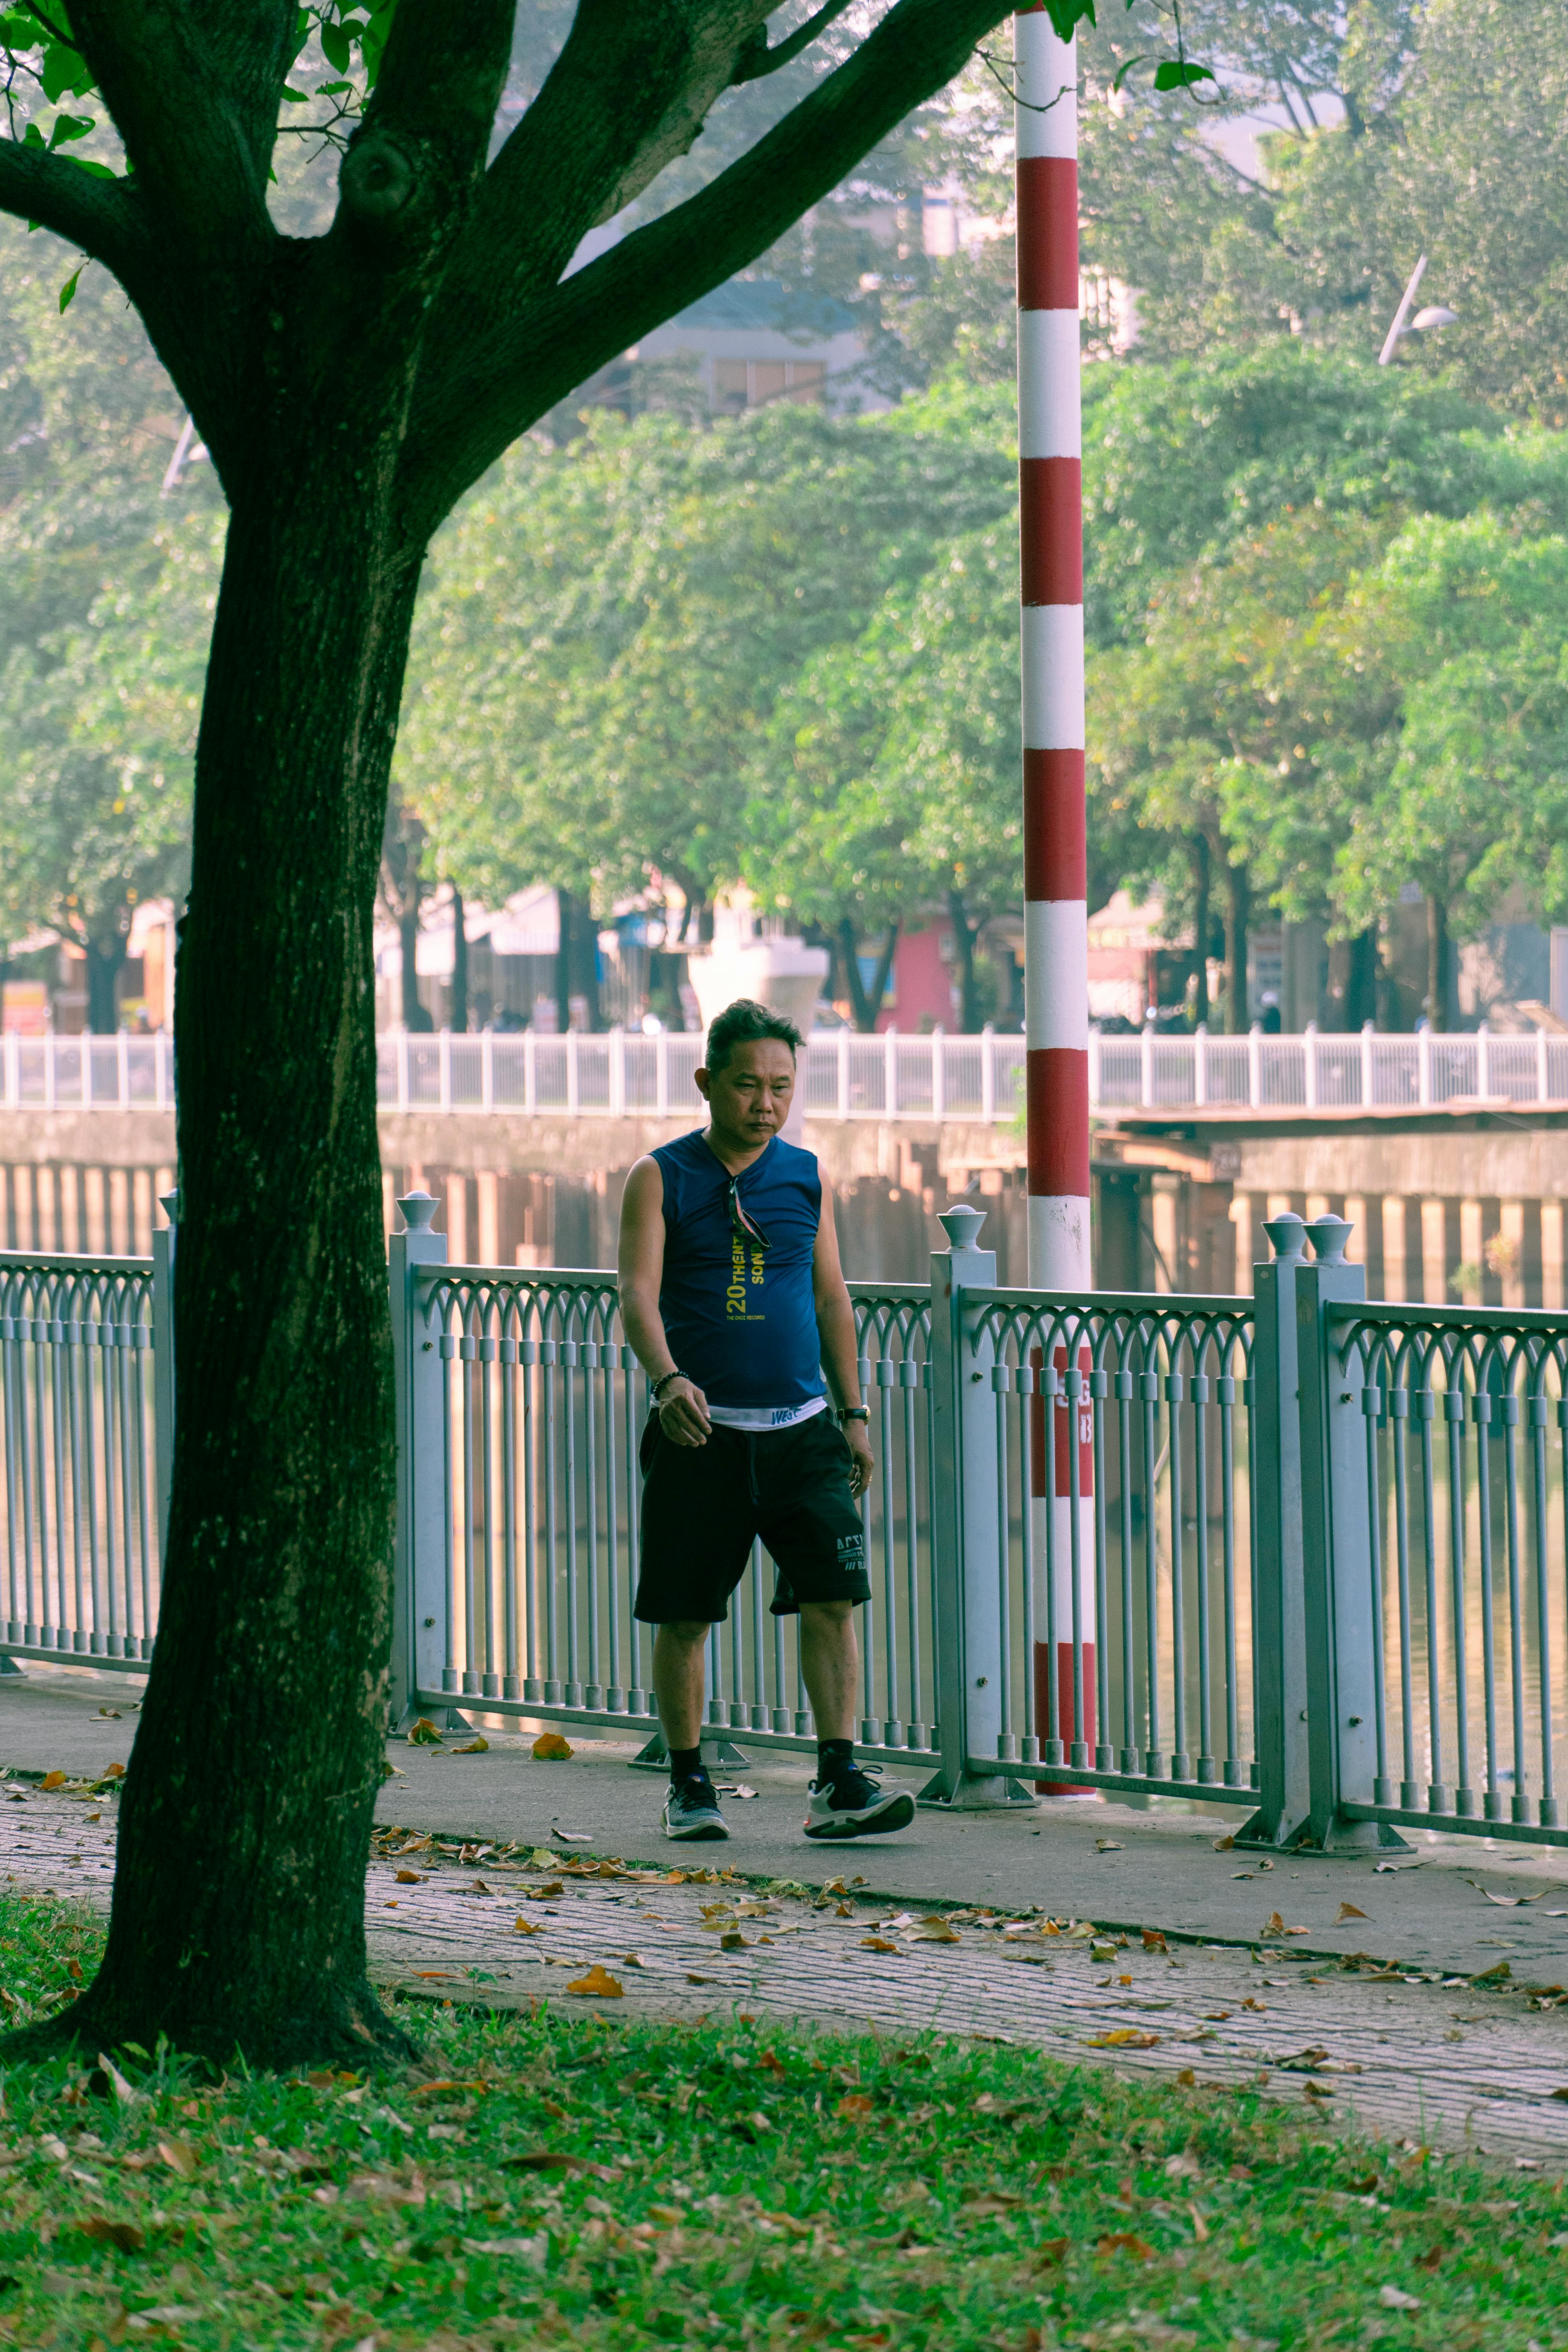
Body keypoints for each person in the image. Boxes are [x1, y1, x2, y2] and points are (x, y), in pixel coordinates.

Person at [617, 998, 916, 1846]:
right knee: (686, 1616)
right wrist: (667, 1380)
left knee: (833, 1599)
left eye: (781, 1086)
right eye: (747, 1084)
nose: (765, 1103)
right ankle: (688, 1785)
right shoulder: (660, 1176)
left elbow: (831, 1297)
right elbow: (636, 1292)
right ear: (707, 1082)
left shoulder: (805, 1175)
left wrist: (854, 1415)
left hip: (804, 1433)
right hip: (701, 1434)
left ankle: (839, 1781)